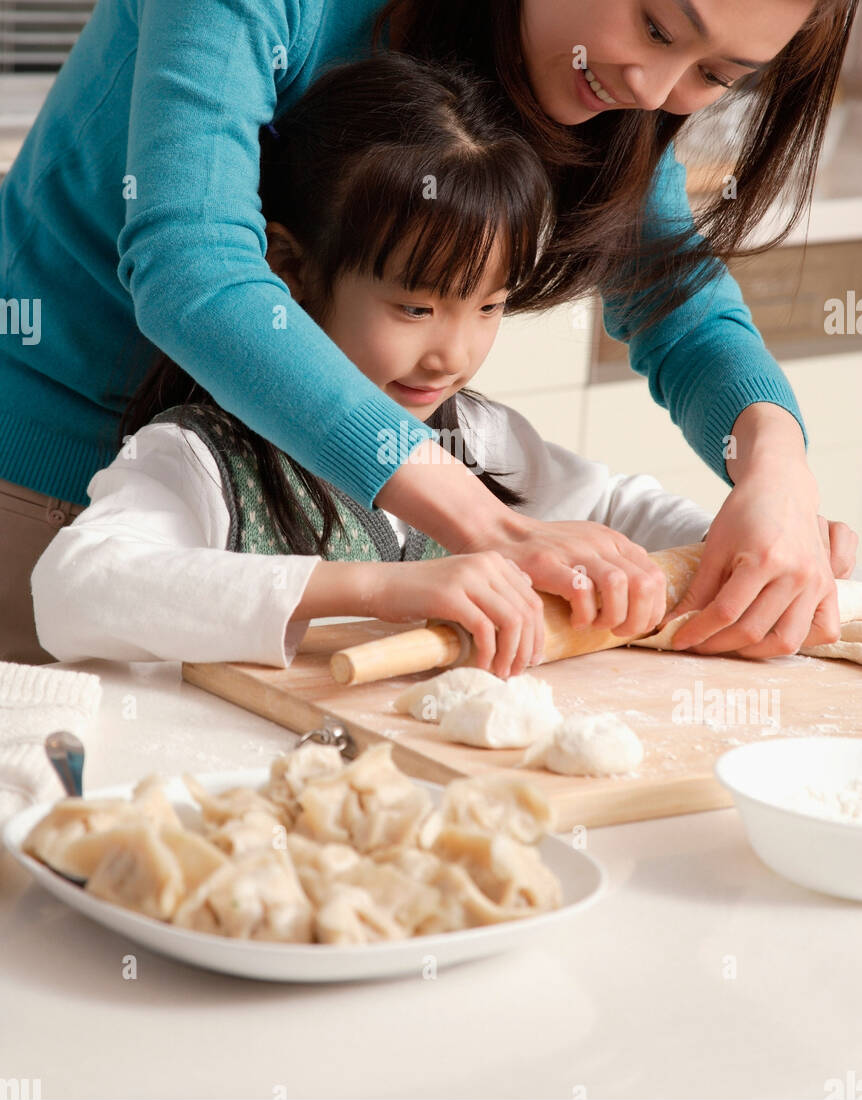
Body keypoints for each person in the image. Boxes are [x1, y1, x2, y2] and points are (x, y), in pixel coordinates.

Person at [4, 0, 862, 668]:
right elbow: (196, 269)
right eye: (657, 26)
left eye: (716, 74)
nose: (653, 88)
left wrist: (776, 472)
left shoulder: (584, 69)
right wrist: (484, 521)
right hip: (51, 493)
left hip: (297, 534)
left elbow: (682, 306)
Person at [30, 51, 731, 672]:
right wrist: (385, 590)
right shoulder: (203, 457)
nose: (452, 356)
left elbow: (615, 507)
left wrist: (735, 540)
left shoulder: (478, 438)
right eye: (416, 309)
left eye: (488, 308)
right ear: (289, 269)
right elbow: (75, 590)